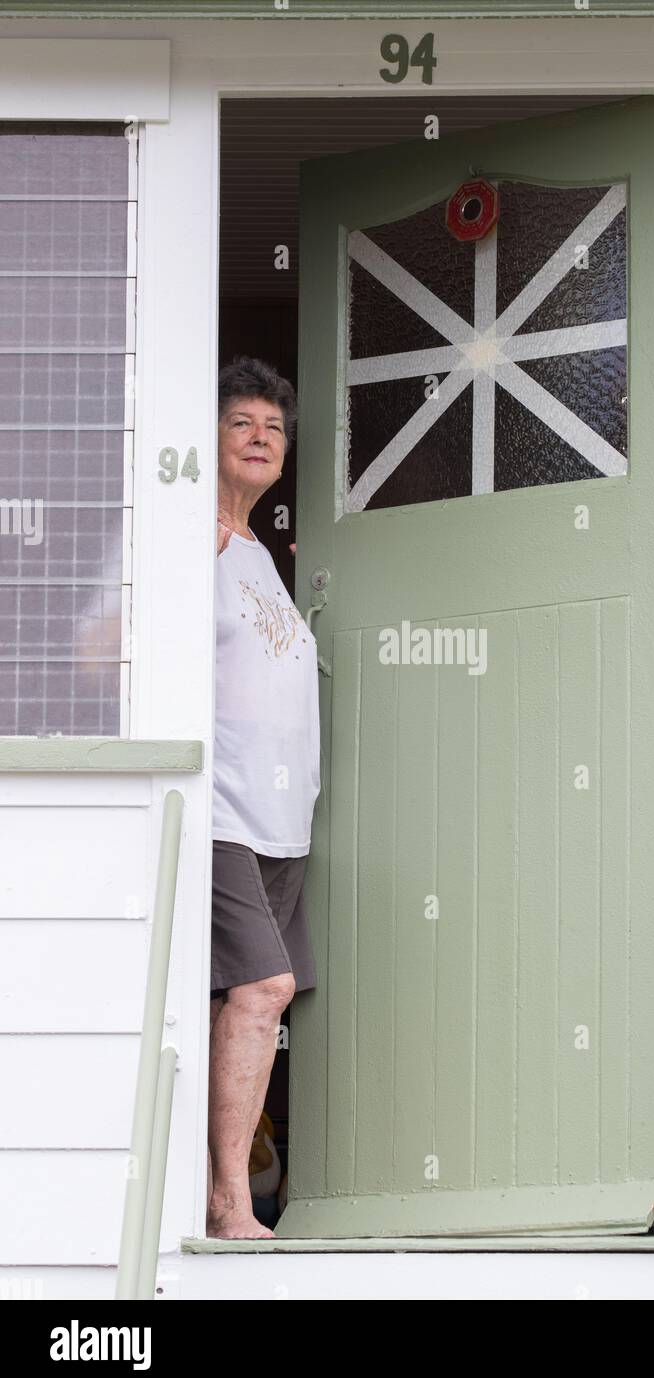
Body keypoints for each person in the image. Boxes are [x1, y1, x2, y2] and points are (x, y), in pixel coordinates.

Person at [207, 356, 320, 1239]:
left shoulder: (254, 551)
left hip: (279, 819)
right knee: (262, 988)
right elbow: (98, 640)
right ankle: (230, 1200)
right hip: (219, 810)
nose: (259, 437)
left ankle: (227, 1188)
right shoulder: (193, 537)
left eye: (273, 428)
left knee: (248, 998)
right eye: (242, 422)